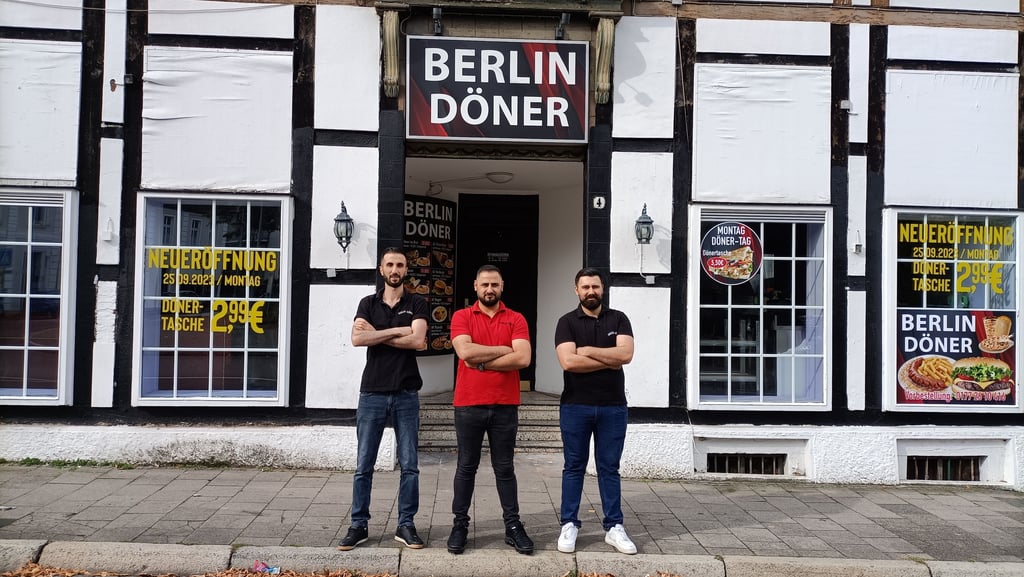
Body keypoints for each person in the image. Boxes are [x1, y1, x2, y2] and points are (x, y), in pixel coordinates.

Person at [338, 248, 428, 551]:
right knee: (364, 465)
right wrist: (398, 330)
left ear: (405, 270)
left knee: (410, 465)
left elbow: (418, 340)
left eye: (400, 265)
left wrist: (378, 332)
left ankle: (406, 525)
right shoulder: (368, 302)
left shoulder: (417, 302)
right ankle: (358, 525)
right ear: (381, 269)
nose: (395, 269)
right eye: (390, 264)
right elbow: (357, 339)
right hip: (372, 393)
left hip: (406, 393)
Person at [446, 264, 535, 555]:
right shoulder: (461, 316)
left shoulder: (516, 318)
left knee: (505, 468)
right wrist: (503, 349)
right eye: (484, 284)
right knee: (466, 467)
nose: (489, 289)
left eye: (494, 284)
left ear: (502, 286)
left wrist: (482, 360)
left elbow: (523, 358)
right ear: (475, 286)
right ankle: (460, 524)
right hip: (468, 403)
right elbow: (465, 353)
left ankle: (512, 526)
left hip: (505, 405)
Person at [553, 267, 637, 555]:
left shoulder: (619, 319)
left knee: (609, 468)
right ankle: (569, 524)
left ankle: (614, 526)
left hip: (613, 407)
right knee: (574, 467)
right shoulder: (566, 322)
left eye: (596, 287)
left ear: (603, 289)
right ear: (576, 290)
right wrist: (608, 359)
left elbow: (625, 355)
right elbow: (569, 363)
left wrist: (586, 350)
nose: (591, 292)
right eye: (585, 287)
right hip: (575, 406)